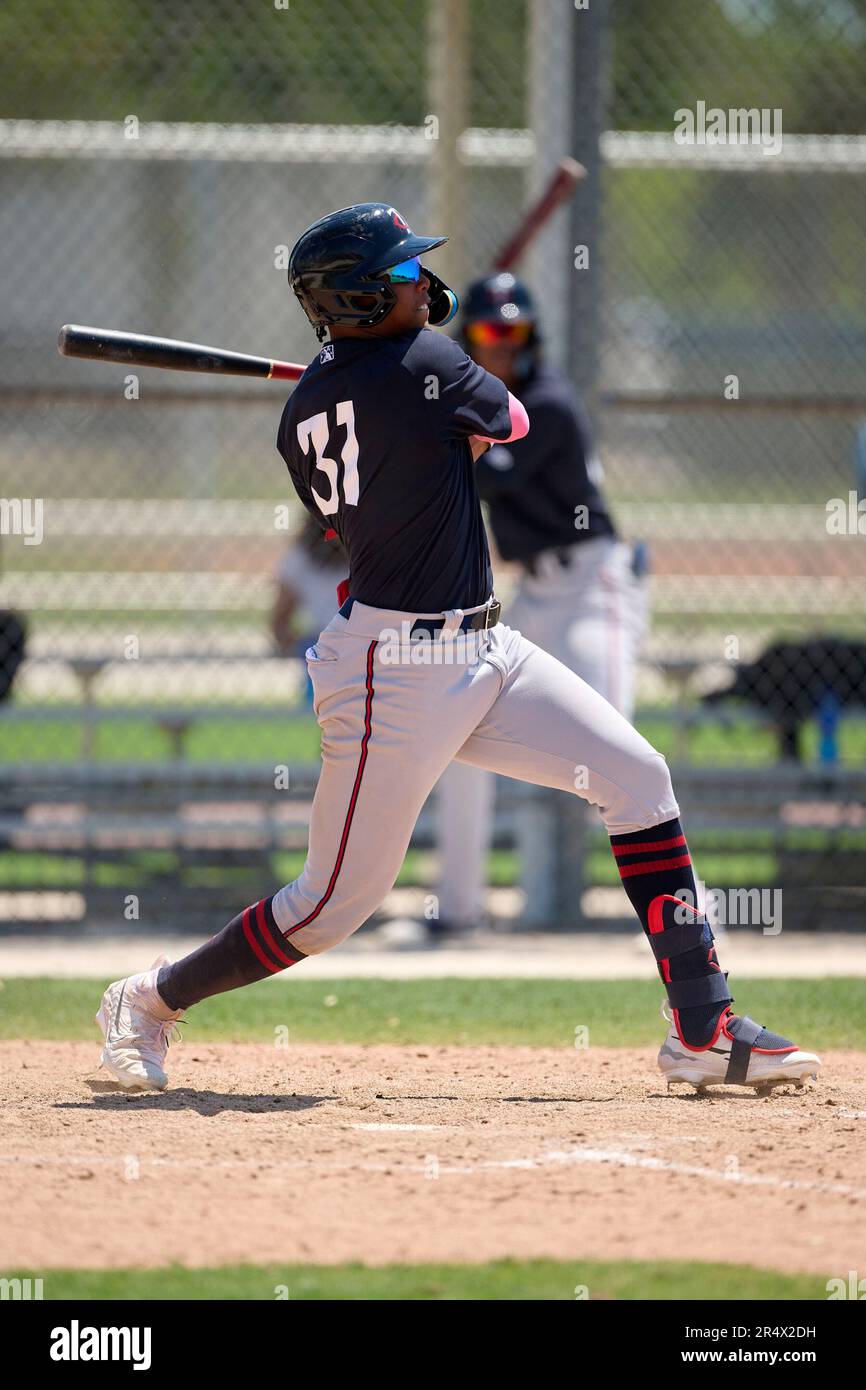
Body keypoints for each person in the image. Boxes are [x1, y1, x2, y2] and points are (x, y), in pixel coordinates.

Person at [95, 202, 819, 1096]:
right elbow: (510, 423)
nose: (423, 284)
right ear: (357, 300)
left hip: (486, 647)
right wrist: (429, 397)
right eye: (401, 276)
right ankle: (147, 1001)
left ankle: (703, 1027)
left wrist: (407, 398)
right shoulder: (427, 364)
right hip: (391, 674)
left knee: (638, 778)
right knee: (329, 907)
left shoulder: (306, 412)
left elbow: (377, 486)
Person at [432, 273, 647, 936]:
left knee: (623, 757)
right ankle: (459, 912)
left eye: (514, 330)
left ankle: (694, 929)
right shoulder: (480, 401)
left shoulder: (546, 403)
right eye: (490, 332)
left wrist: (421, 406)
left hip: (594, 589)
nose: (503, 344)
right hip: (533, 594)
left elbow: (476, 466)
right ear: (469, 337)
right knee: (457, 736)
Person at [271, 514, 347, 705]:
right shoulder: (301, 557)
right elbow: (279, 620)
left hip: (356, 639)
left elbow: (279, 620)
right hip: (321, 643)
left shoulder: (364, 552)